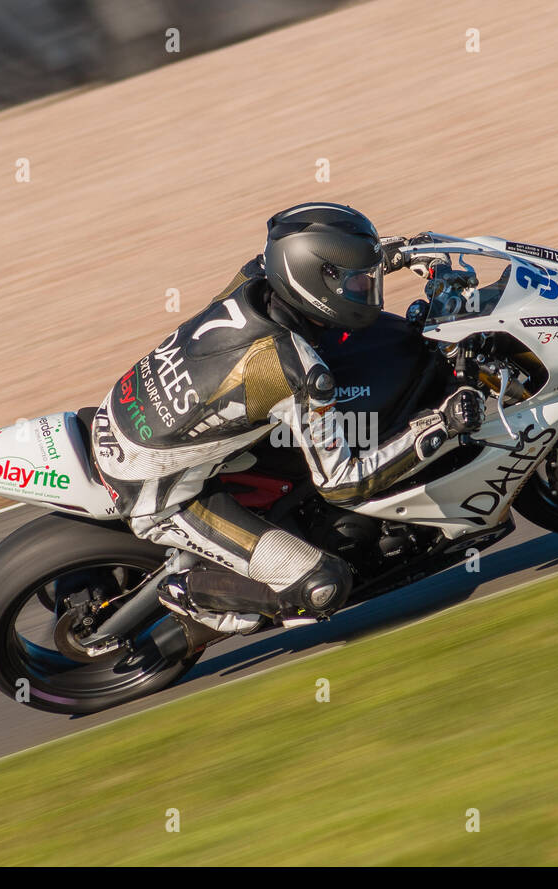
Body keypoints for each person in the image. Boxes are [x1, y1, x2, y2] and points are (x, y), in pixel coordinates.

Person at [91, 202, 483, 656]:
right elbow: (343, 484)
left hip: (123, 413)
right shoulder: (295, 371)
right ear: (317, 285)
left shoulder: (256, 279)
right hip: (159, 492)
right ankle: (194, 594)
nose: (368, 289)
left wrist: (390, 254)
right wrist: (439, 426)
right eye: (358, 282)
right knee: (324, 585)